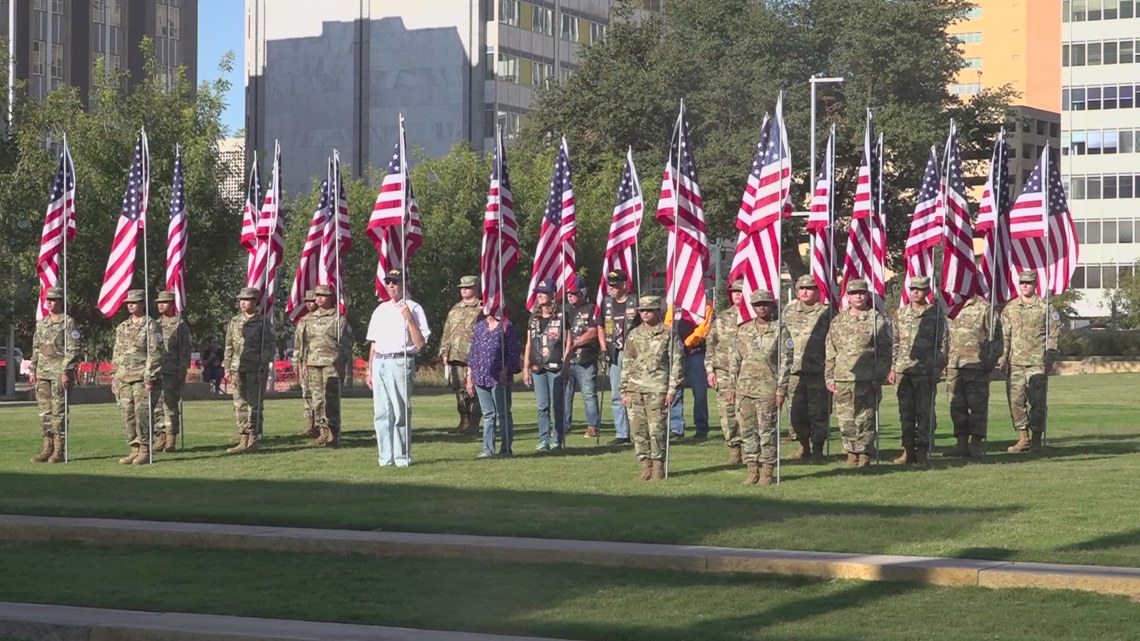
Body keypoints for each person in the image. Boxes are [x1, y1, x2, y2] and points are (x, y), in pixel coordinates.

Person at [724, 290, 792, 485]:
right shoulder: (743, 330)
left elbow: (786, 362)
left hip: (768, 390)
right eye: (757, 305)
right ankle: (752, 470)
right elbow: (734, 360)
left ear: (771, 306)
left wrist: (781, 390)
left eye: (765, 304)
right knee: (747, 432)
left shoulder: (780, 330)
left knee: (766, 432)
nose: (761, 308)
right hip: (744, 389)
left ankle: (767, 472)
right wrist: (731, 387)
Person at [366, 268, 430, 467]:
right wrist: (370, 369)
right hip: (380, 361)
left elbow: (420, 343)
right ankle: (385, 458)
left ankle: (402, 457)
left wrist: (409, 319)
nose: (391, 286)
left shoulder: (414, 308)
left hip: (400, 361)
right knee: (381, 413)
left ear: (405, 284)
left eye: (396, 282)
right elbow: (374, 343)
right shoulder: (381, 309)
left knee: (400, 412)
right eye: (388, 282)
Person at [825, 279, 890, 468]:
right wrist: (829, 376)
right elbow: (831, 350)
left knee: (865, 418)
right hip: (842, 377)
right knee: (845, 419)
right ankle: (851, 452)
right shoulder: (838, 321)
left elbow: (884, 351)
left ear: (867, 295)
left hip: (866, 377)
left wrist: (879, 376)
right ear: (848, 297)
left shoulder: (875, 319)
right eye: (854, 293)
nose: (858, 296)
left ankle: (864, 453)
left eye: (862, 293)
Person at [621, 295, 682, 481]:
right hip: (635, 388)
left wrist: (672, 389)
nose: (645, 313)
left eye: (649, 310)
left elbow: (677, 362)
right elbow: (627, 362)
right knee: (638, 431)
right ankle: (645, 465)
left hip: (657, 388)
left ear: (657, 311)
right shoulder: (634, 334)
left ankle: (658, 466)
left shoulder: (668, 333)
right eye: (642, 311)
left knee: (656, 430)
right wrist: (623, 389)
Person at [998, 270, 1060, 454]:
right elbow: (1005, 336)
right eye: (1022, 283)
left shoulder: (1045, 307)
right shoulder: (1010, 308)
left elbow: (1054, 333)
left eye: (1029, 283)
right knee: (1016, 402)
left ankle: (1037, 440)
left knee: (1038, 403)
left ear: (1035, 284)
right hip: (1016, 363)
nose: (1025, 286)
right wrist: (1003, 358)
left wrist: (1050, 357)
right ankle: (1023, 438)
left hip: (1037, 363)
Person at [888, 276, 948, 465]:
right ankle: (908, 451)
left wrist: (937, 368)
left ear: (927, 292)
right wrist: (892, 367)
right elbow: (894, 342)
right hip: (904, 372)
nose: (915, 292)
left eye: (920, 289)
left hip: (926, 372)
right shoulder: (900, 314)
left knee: (924, 413)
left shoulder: (935, 315)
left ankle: (922, 451)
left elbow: (943, 344)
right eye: (913, 288)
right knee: (905, 414)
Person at [943, 293, 1001, 458]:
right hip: (954, 365)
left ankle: (976, 444)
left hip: (977, 365)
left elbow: (997, 337)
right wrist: (942, 360)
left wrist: (991, 359)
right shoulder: (950, 305)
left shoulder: (985, 308)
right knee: (956, 406)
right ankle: (961, 444)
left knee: (978, 407)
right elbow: (943, 337)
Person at [28, 287, 81, 464]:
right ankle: (47, 447)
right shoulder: (42, 323)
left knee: (59, 412)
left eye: (53, 299)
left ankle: (59, 450)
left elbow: (73, 349)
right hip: (43, 373)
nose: (49, 302)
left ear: (60, 301)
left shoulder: (68, 322)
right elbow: (36, 348)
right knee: (45, 412)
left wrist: (65, 371)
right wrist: (33, 369)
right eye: (47, 300)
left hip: (59, 373)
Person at [784, 275, 833, 463]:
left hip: (818, 370)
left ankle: (818, 449)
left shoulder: (827, 312)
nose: (805, 291)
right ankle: (803, 447)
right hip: (794, 371)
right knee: (796, 413)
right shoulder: (789, 311)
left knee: (819, 412)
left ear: (817, 291)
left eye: (810, 288)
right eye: (801, 288)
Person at [112, 289, 164, 465]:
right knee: (127, 413)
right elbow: (117, 353)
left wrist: (149, 377)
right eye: (128, 303)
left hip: (142, 377)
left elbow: (155, 353)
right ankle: (134, 448)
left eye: (134, 302)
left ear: (142, 304)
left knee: (142, 413)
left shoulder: (151, 325)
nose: (131, 305)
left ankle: (144, 449)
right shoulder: (122, 327)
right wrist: (115, 376)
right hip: (124, 377)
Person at [298, 284, 353, 447]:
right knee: (317, 399)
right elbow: (304, 344)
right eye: (317, 296)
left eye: (323, 296)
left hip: (331, 364)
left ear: (330, 298)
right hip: (313, 363)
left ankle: (333, 432)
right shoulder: (308, 319)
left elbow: (345, 344)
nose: (319, 298)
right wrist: (303, 363)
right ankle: (322, 430)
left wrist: (341, 363)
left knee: (331, 399)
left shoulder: (338, 319)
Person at [224, 287, 276, 454]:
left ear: (255, 302)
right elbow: (229, 346)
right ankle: (243, 437)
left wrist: (263, 365)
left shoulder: (263, 323)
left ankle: (253, 437)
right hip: (237, 368)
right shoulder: (235, 321)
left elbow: (269, 346)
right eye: (241, 300)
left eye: (246, 300)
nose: (242, 303)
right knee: (239, 404)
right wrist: (227, 367)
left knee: (254, 404)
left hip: (255, 368)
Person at [465, 311, 522, 458]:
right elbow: (473, 353)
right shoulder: (479, 327)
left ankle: (506, 449)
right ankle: (487, 450)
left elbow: (514, 353)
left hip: (499, 377)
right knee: (488, 414)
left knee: (503, 414)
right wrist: (469, 376)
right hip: (481, 376)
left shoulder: (506, 326)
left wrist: (506, 369)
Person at [523, 278, 567, 451]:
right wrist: (525, 367)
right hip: (537, 367)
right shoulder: (533, 318)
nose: (540, 296)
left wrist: (566, 364)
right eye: (538, 293)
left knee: (557, 405)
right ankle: (543, 439)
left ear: (552, 295)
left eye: (543, 293)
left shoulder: (562, 317)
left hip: (555, 366)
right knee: (542, 406)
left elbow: (569, 342)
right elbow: (528, 343)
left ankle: (558, 439)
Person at [705, 278, 745, 464]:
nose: (738, 294)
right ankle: (734, 449)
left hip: (747, 372)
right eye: (735, 291)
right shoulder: (721, 318)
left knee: (747, 412)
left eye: (741, 291)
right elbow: (710, 344)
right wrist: (710, 370)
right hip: (723, 371)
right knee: (727, 413)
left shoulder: (754, 317)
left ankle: (750, 450)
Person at [596, 269, 638, 445]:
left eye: (614, 285)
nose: (610, 288)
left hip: (632, 354)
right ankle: (622, 433)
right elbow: (600, 326)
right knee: (616, 393)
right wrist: (603, 349)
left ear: (623, 284)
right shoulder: (606, 303)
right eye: (609, 285)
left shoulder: (635, 301)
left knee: (634, 392)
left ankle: (637, 431)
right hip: (614, 353)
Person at [438, 275, 482, 434]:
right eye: (462, 288)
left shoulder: (482, 309)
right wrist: (444, 351)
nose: (464, 290)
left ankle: (474, 422)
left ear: (476, 288)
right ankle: (464, 421)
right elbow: (447, 331)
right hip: (456, 356)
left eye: (467, 287)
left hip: (474, 356)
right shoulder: (455, 309)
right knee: (460, 390)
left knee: (474, 389)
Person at [153, 290, 192, 453]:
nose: (161, 305)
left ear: (171, 304)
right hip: (156, 371)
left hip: (172, 370)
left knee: (170, 405)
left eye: (164, 302)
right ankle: (160, 436)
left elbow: (185, 351)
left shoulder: (180, 325)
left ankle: (171, 437)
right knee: (157, 406)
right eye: (159, 303)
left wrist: (182, 370)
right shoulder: (154, 325)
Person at [667, 301, 712, 440]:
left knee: (699, 393)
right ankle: (676, 428)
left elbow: (704, 328)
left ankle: (701, 429)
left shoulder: (705, 305)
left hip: (695, 353)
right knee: (675, 391)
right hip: (675, 355)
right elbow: (667, 324)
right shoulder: (674, 304)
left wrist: (686, 343)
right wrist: (675, 343)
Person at [563, 275, 601, 438]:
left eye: (574, 293)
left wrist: (574, 344)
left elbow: (594, 332)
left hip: (585, 358)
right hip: (566, 360)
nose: (570, 296)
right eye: (568, 293)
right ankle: (563, 425)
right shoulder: (564, 310)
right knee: (565, 394)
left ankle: (592, 425)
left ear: (583, 292)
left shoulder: (591, 309)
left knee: (588, 393)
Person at [293, 290, 319, 438]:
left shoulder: (327, 319)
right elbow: (298, 343)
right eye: (307, 302)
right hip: (305, 363)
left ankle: (321, 424)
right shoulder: (303, 321)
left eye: (312, 301)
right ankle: (310, 423)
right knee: (307, 393)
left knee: (320, 394)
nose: (309, 304)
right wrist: (296, 361)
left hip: (319, 361)